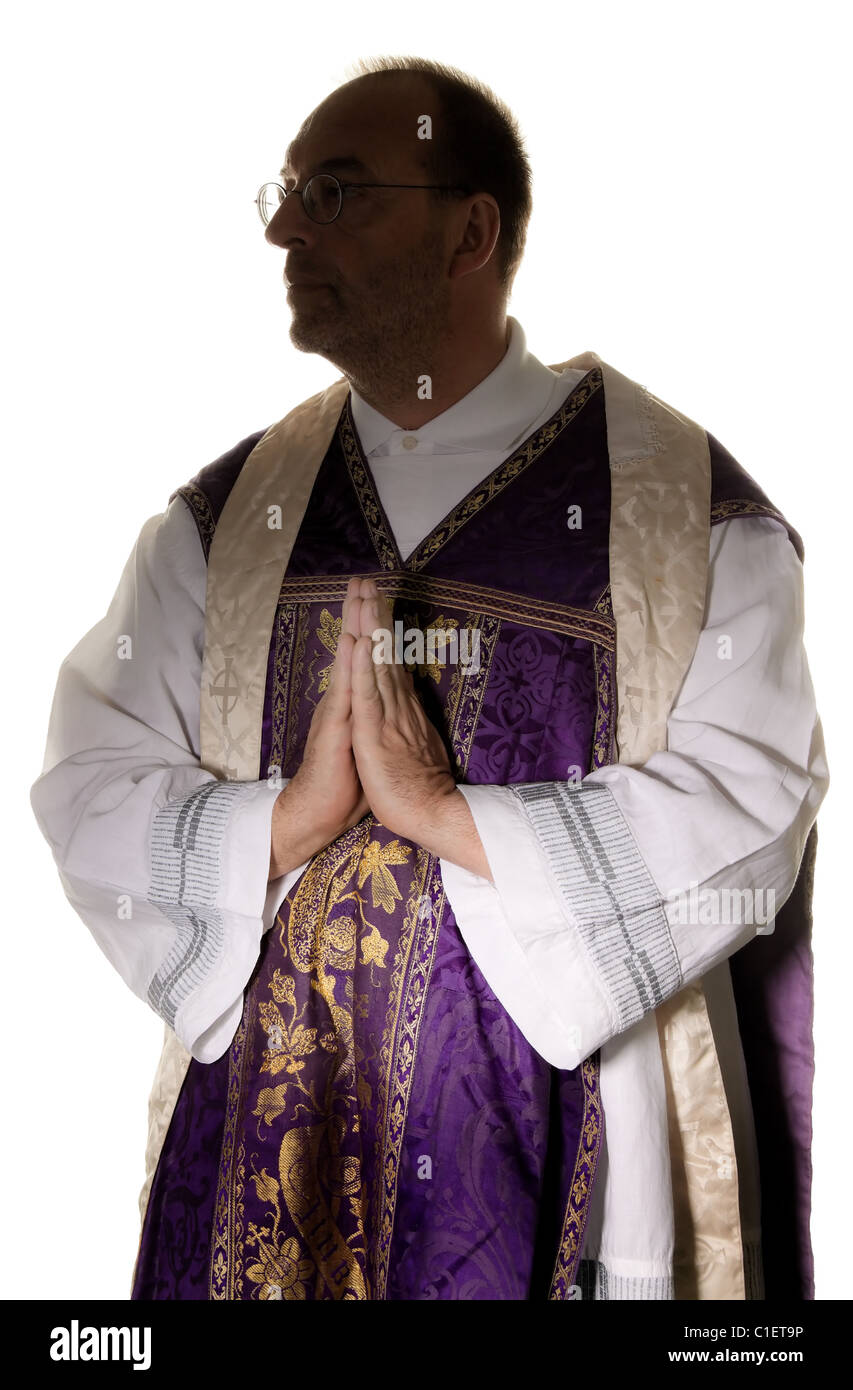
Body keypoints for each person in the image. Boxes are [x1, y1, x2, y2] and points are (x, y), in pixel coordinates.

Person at [30, 55, 827, 1302]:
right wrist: (287, 819)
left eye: (336, 192)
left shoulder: (686, 511)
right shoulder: (228, 516)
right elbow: (88, 778)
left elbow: (755, 796)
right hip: (267, 1146)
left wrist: (450, 819)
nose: (289, 228)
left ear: (471, 230)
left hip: (572, 1153)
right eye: (284, 197)